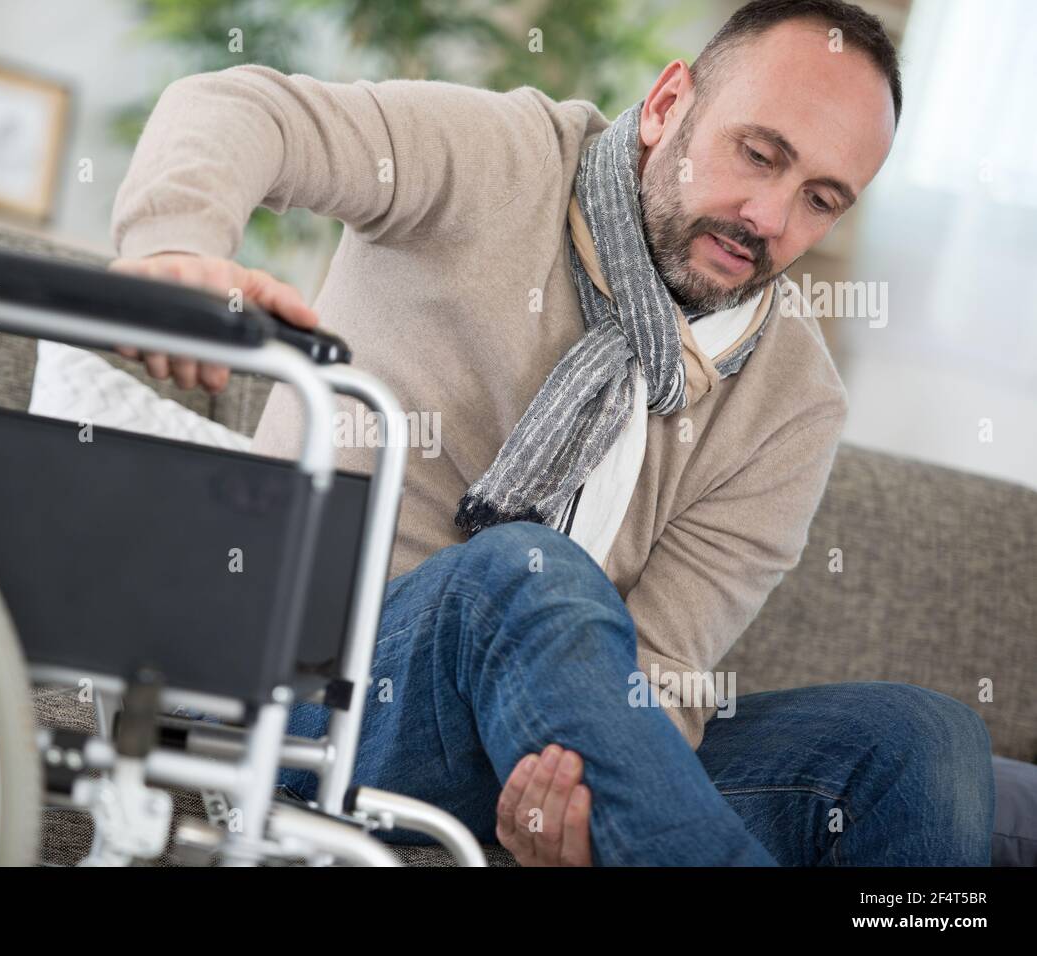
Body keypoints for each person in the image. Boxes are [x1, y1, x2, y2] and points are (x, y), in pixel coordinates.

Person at [109, 0, 994, 865]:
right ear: (665, 105)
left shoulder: (795, 401)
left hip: (554, 740)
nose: (768, 218)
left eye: (821, 199)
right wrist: (174, 251)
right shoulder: (496, 158)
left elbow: (660, 673)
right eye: (758, 154)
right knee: (524, 570)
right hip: (316, 690)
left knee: (919, 742)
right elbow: (239, 107)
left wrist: (578, 797)